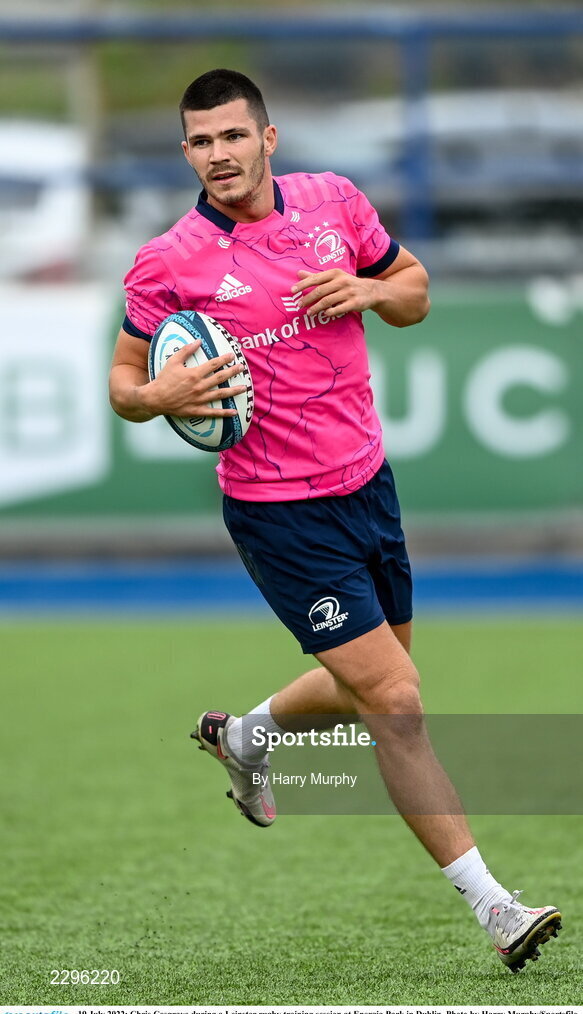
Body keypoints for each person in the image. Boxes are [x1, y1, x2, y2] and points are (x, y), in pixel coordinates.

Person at [109, 68, 561, 973]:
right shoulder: (169, 260)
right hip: (278, 514)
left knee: (380, 678)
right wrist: (158, 394)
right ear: (188, 153)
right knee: (395, 703)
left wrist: (367, 292)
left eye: (232, 136)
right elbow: (124, 384)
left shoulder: (335, 202)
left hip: (365, 486)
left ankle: (249, 735)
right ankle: (497, 908)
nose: (217, 155)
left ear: (267, 139)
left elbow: (416, 291)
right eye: (200, 142)